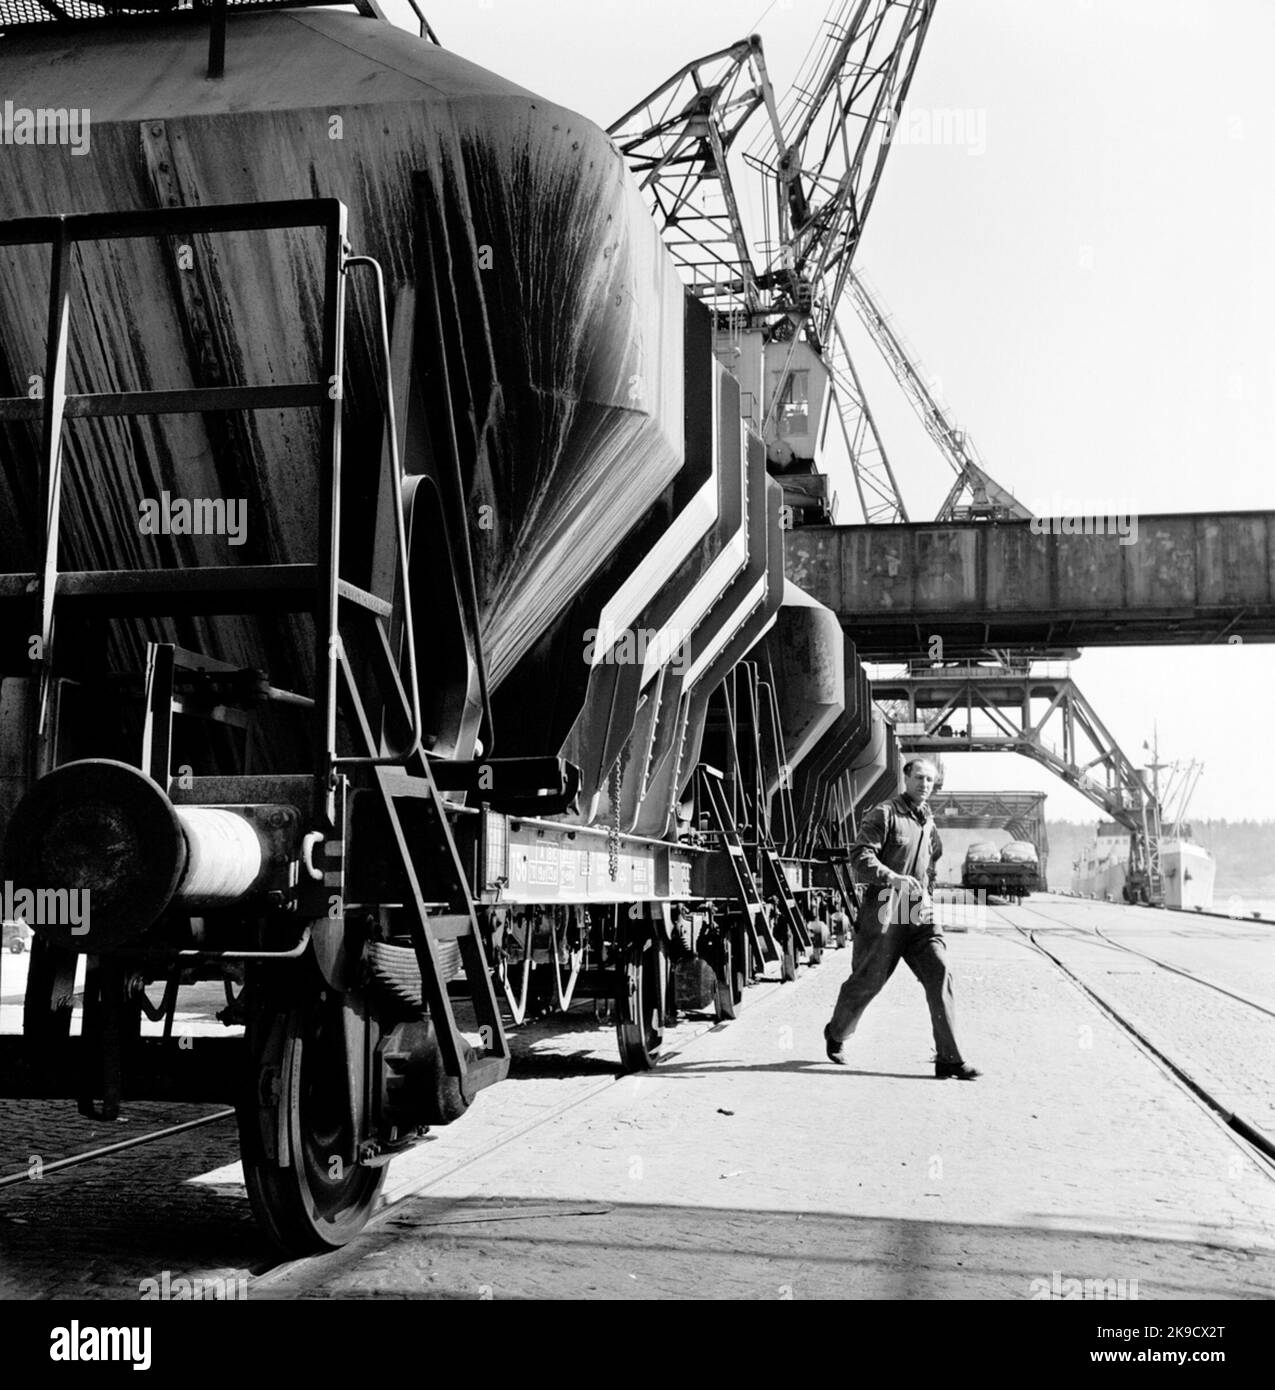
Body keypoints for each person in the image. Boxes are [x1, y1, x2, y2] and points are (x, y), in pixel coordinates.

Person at [822, 756, 980, 1080]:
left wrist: (928, 892)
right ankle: (837, 1033)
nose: (925, 784)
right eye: (919, 777)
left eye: (930, 781)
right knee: (869, 980)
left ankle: (949, 1058)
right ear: (906, 779)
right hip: (884, 901)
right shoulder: (885, 813)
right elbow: (860, 857)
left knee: (940, 973)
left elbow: (932, 860)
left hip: (917, 907)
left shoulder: (928, 821)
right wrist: (892, 877)